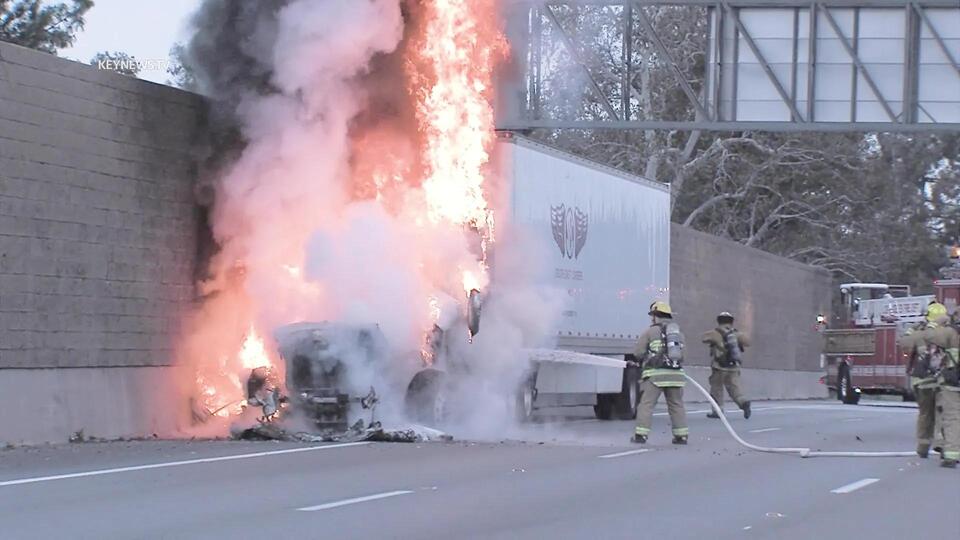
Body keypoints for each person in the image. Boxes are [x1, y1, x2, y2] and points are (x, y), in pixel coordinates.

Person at [632, 301, 688, 445]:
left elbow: (638, 352)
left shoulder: (650, 332)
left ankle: (641, 435)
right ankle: (681, 436)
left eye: (652, 316)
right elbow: (683, 356)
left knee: (646, 405)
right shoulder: (678, 334)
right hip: (676, 376)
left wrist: (645, 359)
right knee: (676, 405)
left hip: (656, 376)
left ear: (655, 316)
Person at [918, 302, 960, 468]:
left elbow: (933, 357)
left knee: (952, 418)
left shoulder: (947, 333)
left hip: (951, 382)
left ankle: (950, 454)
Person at [702, 312, 752, 419]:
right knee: (735, 389)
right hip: (734, 367)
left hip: (719, 367)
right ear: (732, 321)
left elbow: (703, 338)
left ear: (718, 321)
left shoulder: (714, 333)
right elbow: (747, 342)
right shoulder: (737, 334)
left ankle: (717, 411)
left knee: (716, 389)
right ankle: (743, 403)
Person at [900, 311, 935, 458]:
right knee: (942, 415)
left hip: (920, 382)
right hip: (941, 382)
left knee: (924, 414)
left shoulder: (918, 332)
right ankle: (942, 445)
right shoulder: (949, 333)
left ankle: (923, 446)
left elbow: (904, 346)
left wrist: (910, 331)